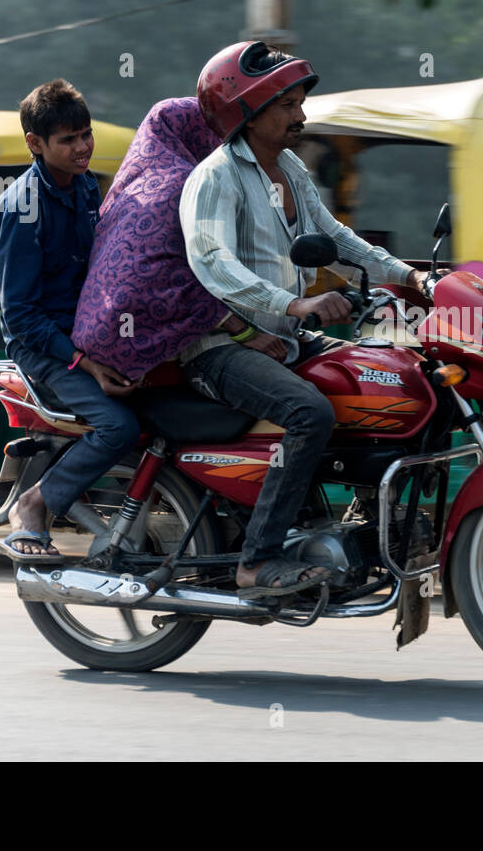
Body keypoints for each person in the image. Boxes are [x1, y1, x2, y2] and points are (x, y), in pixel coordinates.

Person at [180, 41, 433, 599]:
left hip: (284, 336)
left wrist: (409, 279)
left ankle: (371, 524)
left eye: (299, 102)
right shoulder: (215, 178)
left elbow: (337, 238)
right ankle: (258, 560)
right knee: (309, 412)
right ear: (247, 111)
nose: (300, 115)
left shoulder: (290, 167)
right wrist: (295, 305)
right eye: (285, 105)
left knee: (390, 374)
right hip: (219, 348)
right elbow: (212, 262)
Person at [0, 79, 139, 561]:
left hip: (89, 333)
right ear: (35, 143)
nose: (82, 147)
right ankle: (34, 505)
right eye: (67, 139)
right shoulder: (22, 212)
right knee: (117, 427)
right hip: (46, 349)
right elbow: (22, 316)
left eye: (85, 134)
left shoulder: (86, 189)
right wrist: (85, 362)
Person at [71, 96, 282, 380]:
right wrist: (246, 331)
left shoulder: (130, 184)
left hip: (97, 336)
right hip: (133, 346)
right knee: (307, 410)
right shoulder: (187, 184)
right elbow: (178, 277)